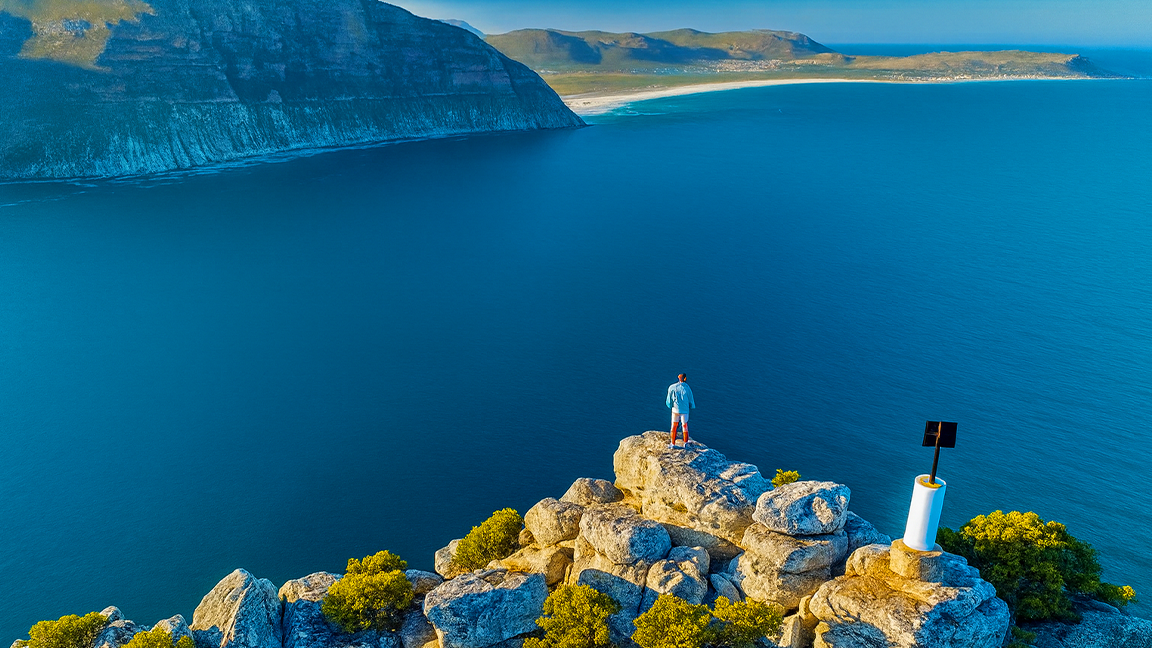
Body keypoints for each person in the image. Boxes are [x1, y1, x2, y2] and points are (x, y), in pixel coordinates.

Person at [666, 373, 695, 448]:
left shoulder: (672, 387)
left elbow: (669, 400)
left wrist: (671, 406)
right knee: (684, 426)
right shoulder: (687, 388)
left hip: (675, 410)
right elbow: (691, 400)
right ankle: (685, 443)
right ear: (685, 378)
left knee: (674, 426)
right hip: (684, 411)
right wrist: (691, 406)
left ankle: (672, 443)